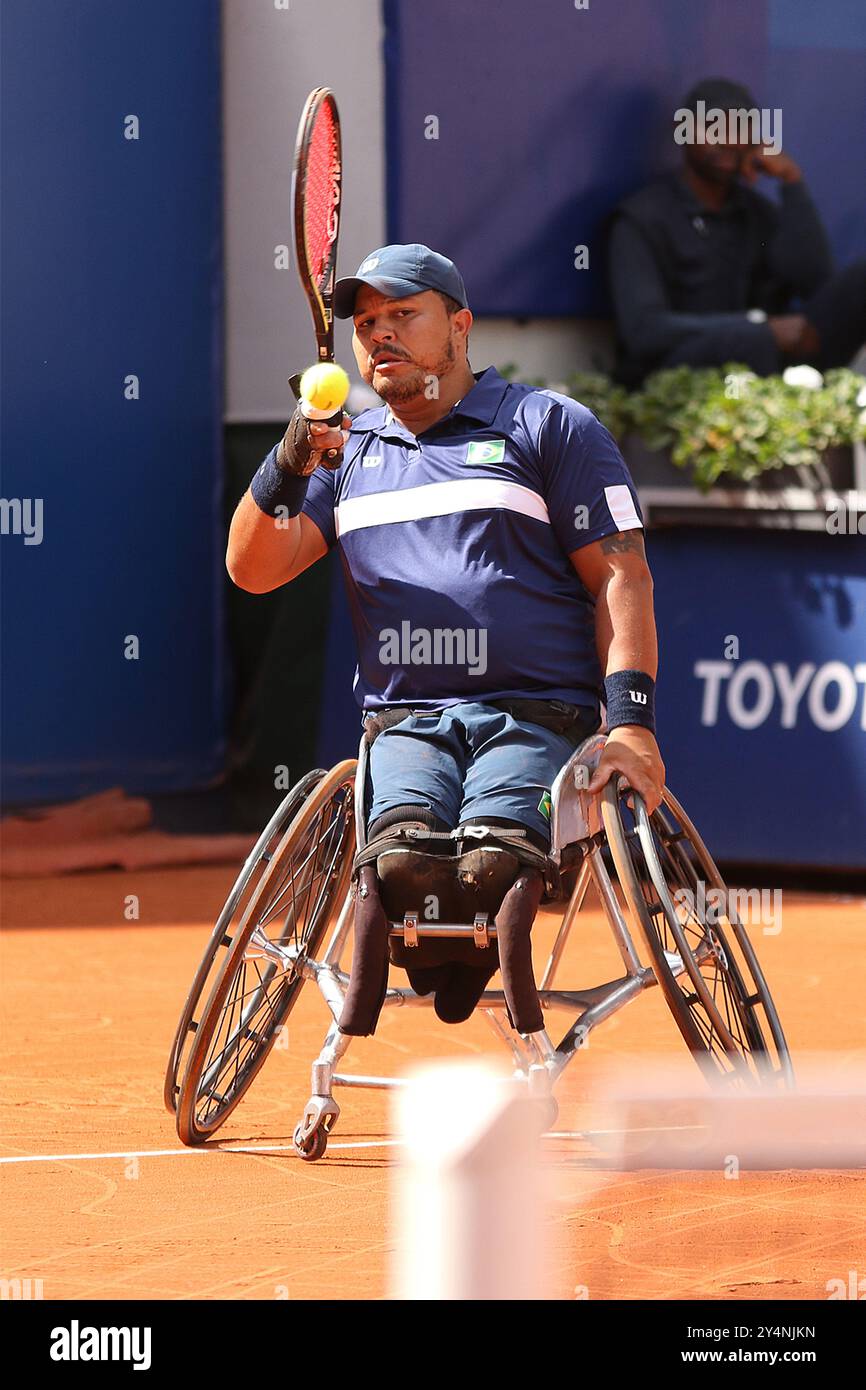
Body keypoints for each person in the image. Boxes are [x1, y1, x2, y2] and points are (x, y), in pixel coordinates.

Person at [227, 243, 664, 1039]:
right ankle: (439, 972)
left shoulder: (548, 426)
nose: (380, 334)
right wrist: (291, 458)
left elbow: (620, 575)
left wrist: (630, 720)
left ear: (459, 326)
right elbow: (252, 568)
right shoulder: (344, 453)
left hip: (538, 718)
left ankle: (482, 978)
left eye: (403, 314)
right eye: (366, 323)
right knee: (400, 869)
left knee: (492, 869)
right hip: (407, 724)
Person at [608, 77, 866, 385]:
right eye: (714, 127)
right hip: (677, 375)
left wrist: (792, 183)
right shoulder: (643, 217)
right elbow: (644, 331)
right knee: (753, 339)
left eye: (739, 129)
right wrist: (755, 327)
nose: (728, 139)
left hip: (766, 365)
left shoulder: (758, 213)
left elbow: (816, 284)